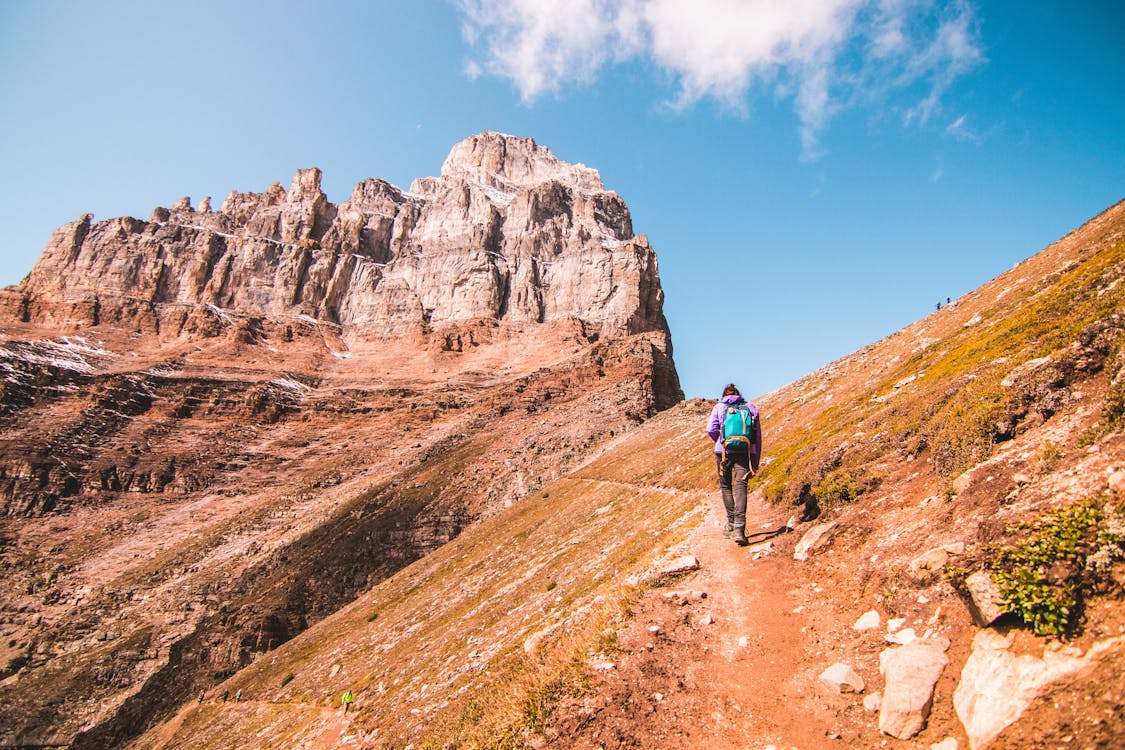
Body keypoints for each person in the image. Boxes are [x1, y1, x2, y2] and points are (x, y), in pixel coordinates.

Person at [706, 384, 762, 545]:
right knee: (741, 487)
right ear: (738, 395)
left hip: (723, 453)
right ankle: (739, 529)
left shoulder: (719, 407)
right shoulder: (750, 407)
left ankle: (731, 524)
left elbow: (711, 429)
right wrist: (755, 460)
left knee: (726, 487)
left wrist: (721, 441)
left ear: (724, 395)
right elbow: (757, 436)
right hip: (745, 452)